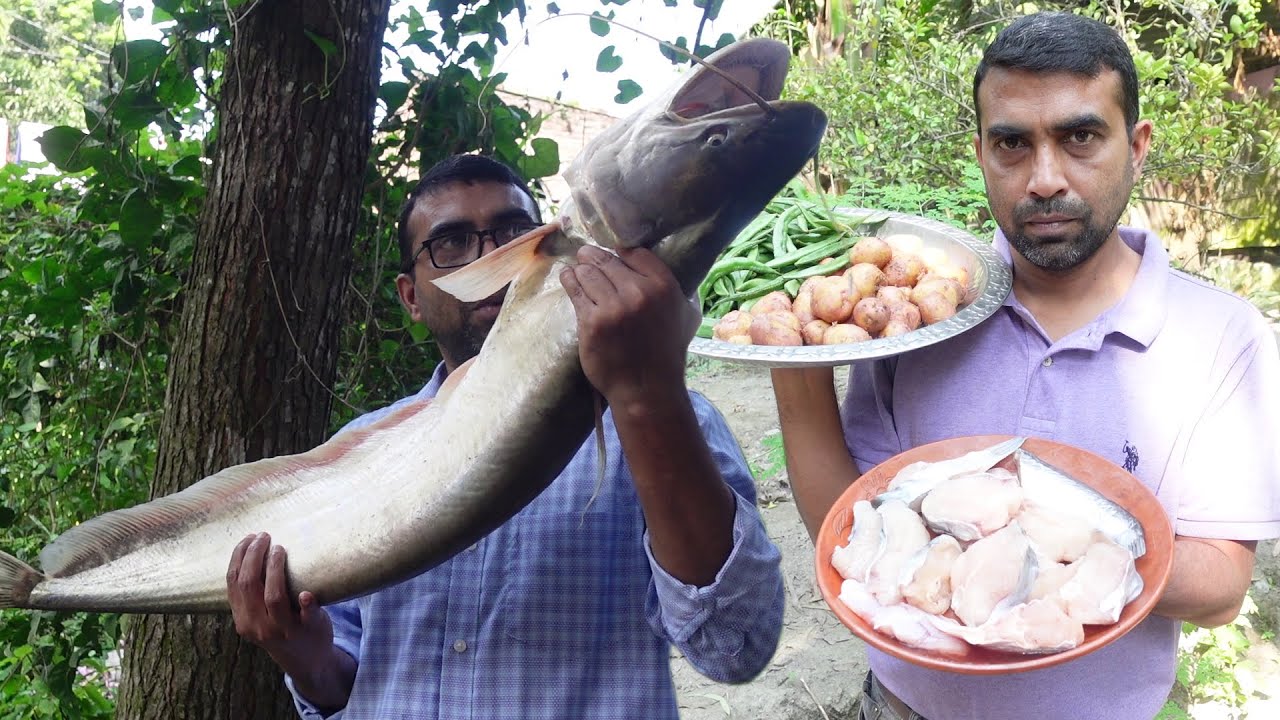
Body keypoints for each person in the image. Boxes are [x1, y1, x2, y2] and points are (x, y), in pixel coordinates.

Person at [770, 11, 1280, 720]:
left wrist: (1061, 530)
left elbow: (1223, 588)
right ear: (981, 152)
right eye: (1012, 143)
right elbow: (846, 527)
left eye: (1080, 137)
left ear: (1136, 147)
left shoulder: (1223, 336)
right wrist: (791, 362)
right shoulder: (922, 314)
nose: (1044, 179)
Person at [224, 154, 785, 719]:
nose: (489, 255)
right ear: (411, 296)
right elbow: (341, 684)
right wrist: (307, 659)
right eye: (450, 242)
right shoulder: (363, 454)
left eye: (514, 233)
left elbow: (735, 646)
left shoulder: (663, 418)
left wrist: (647, 396)